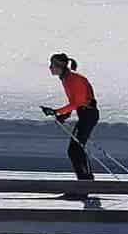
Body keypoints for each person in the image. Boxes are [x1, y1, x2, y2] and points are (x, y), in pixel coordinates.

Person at [42, 51, 100, 182]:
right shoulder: (67, 79)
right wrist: (65, 114)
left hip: (88, 114)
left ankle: (85, 183)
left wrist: (57, 112)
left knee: (75, 150)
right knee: (75, 149)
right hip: (85, 114)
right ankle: (86, 181)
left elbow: (78, 102)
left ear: (60, 66)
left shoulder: (73, 79)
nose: (50, 68)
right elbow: (75, 101)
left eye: (52, 65)